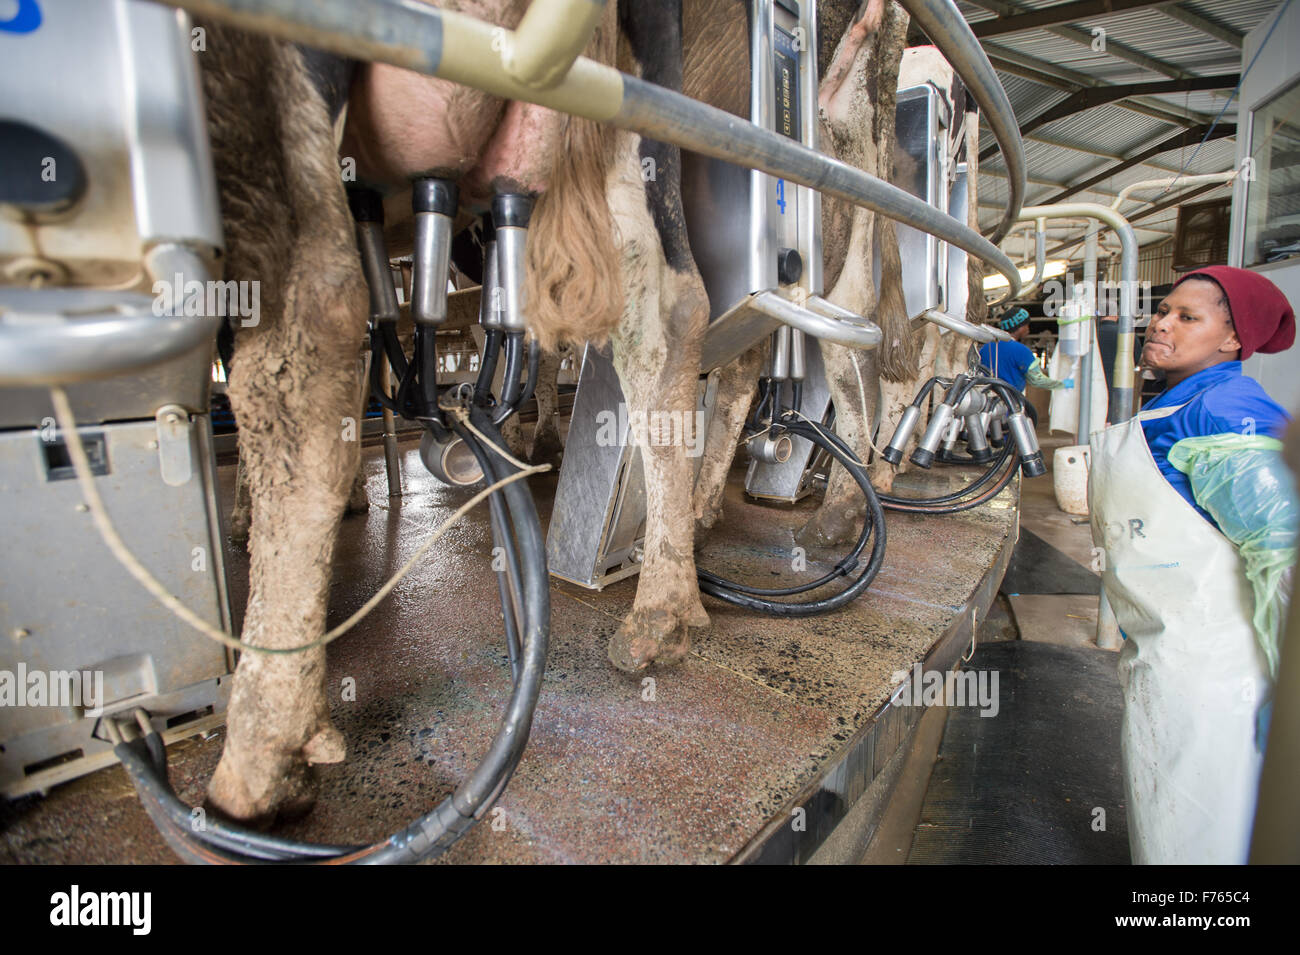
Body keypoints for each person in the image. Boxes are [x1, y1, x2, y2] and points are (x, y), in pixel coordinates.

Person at [1088, 265, 1297, 864]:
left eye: (1188, 317)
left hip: (1220, 678)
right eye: (1164, 310)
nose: (1162, 323)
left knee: (1199, 843)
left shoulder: (1228, 410)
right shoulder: (1185, 403)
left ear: (1233, 341)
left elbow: (1285, 554)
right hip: (1166, 657)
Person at [978, 307, 1071, 394]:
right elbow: (1037, 380)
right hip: (1011, 402)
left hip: (987, 401)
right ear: (1019, 327)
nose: (1028, 329)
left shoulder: (986, 348)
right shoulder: (1021, 351)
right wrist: (1062, 384)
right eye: (1026, 325)